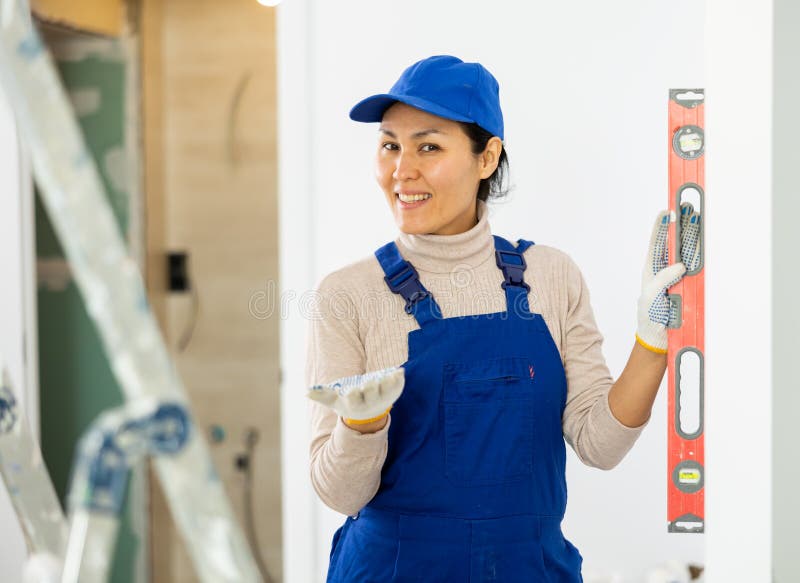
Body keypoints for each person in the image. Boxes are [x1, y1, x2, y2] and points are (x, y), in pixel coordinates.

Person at [306, 55, 700, 582]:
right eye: (389, 144)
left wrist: (652, 343)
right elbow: (339, 493)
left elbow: (599, 445)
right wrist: (362, 424)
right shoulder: (347, 294)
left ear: (487, 157)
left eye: (428, 145)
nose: (402, 169)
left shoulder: (550, 276)